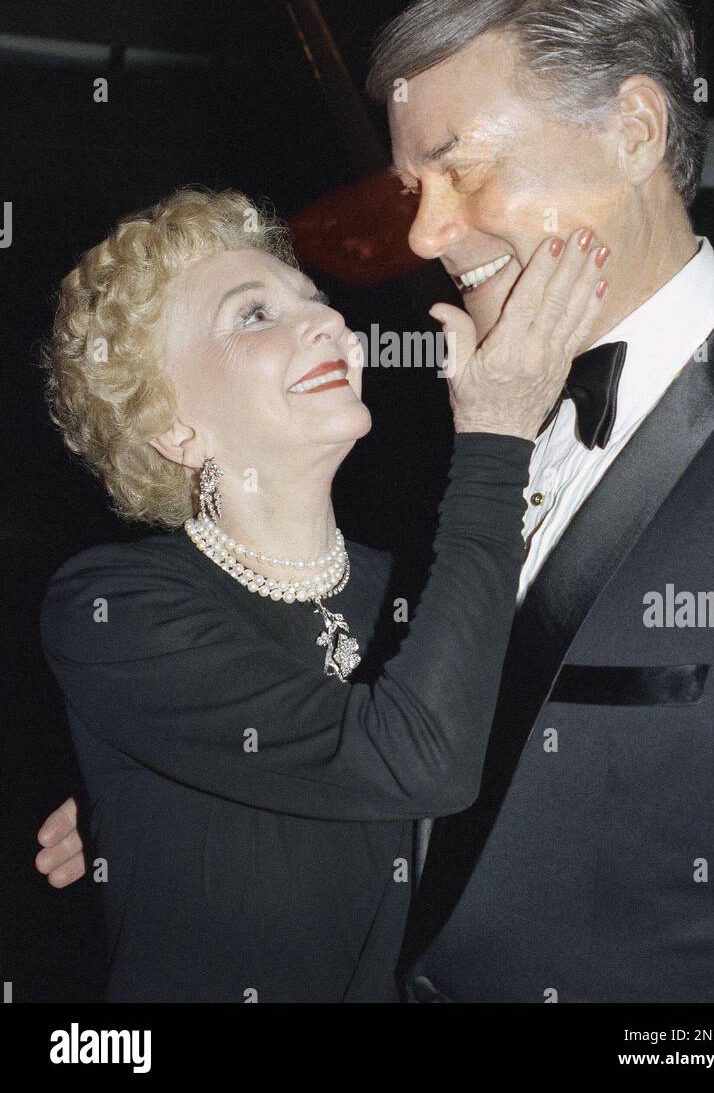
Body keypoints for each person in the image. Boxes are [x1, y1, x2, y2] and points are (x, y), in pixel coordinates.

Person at [40, 0, 714, 1002]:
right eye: (413, 189)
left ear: (630, 131)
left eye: (462, 166)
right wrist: (181, 803)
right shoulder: (451, 477)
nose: (426, 233)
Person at [35, 184, 607, 1003]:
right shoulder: (114, 606)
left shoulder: (413, 594)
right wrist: (494, 437)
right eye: (253, 315)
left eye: (315, 299)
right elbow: (415, 763)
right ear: (173, 426)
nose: (329, 322)